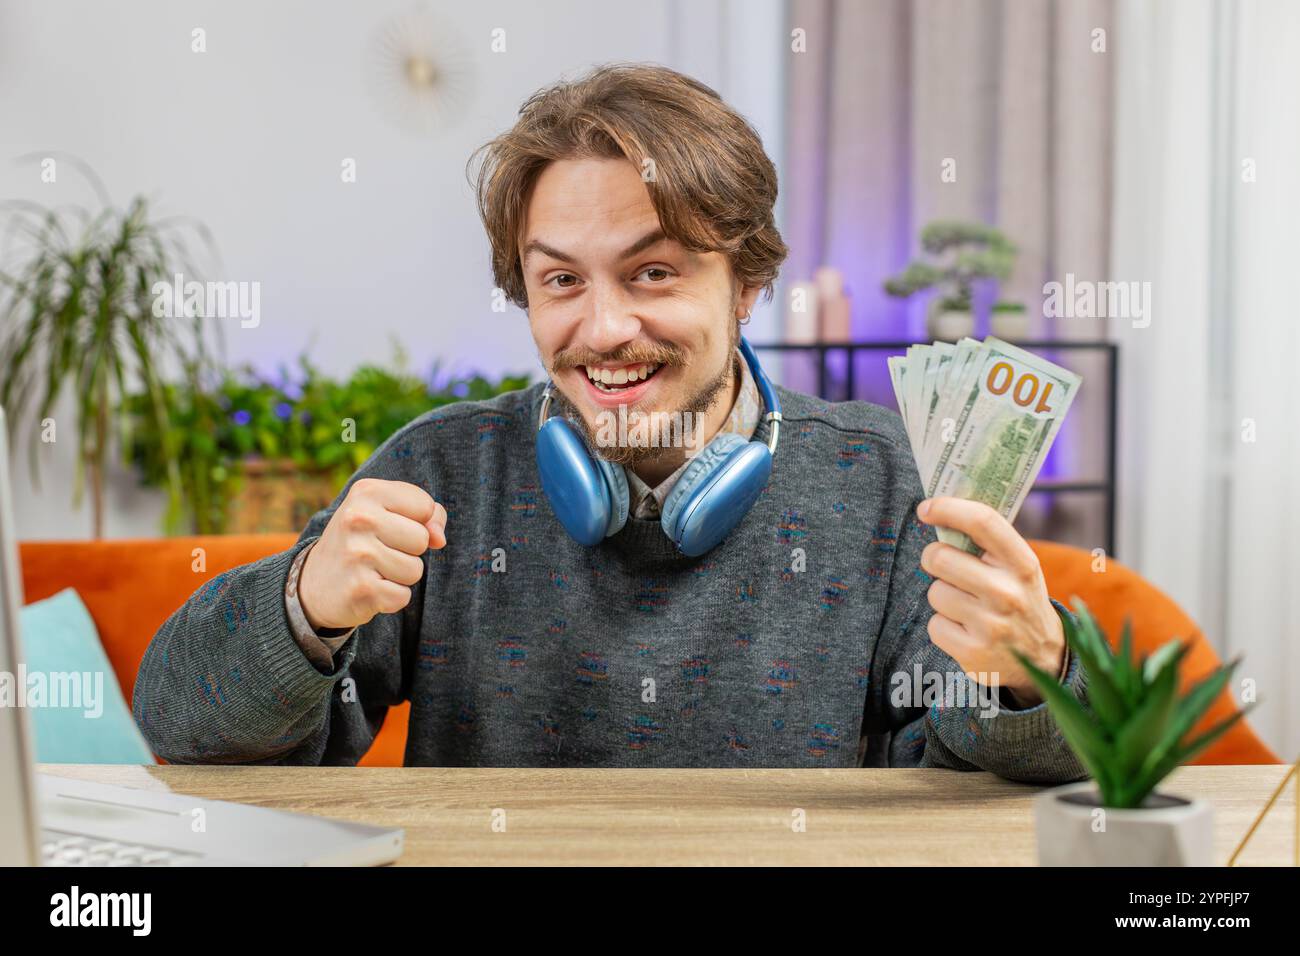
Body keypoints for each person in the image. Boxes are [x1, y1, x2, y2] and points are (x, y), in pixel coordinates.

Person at [134, 63, 1086, 779]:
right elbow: (179, 724)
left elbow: (993, 790)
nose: (604, 330)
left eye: (654, 272)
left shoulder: (886, 482)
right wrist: (302, 608)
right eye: (561, 281)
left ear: (749, 282)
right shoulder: (441, 470)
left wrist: (1021, 681)